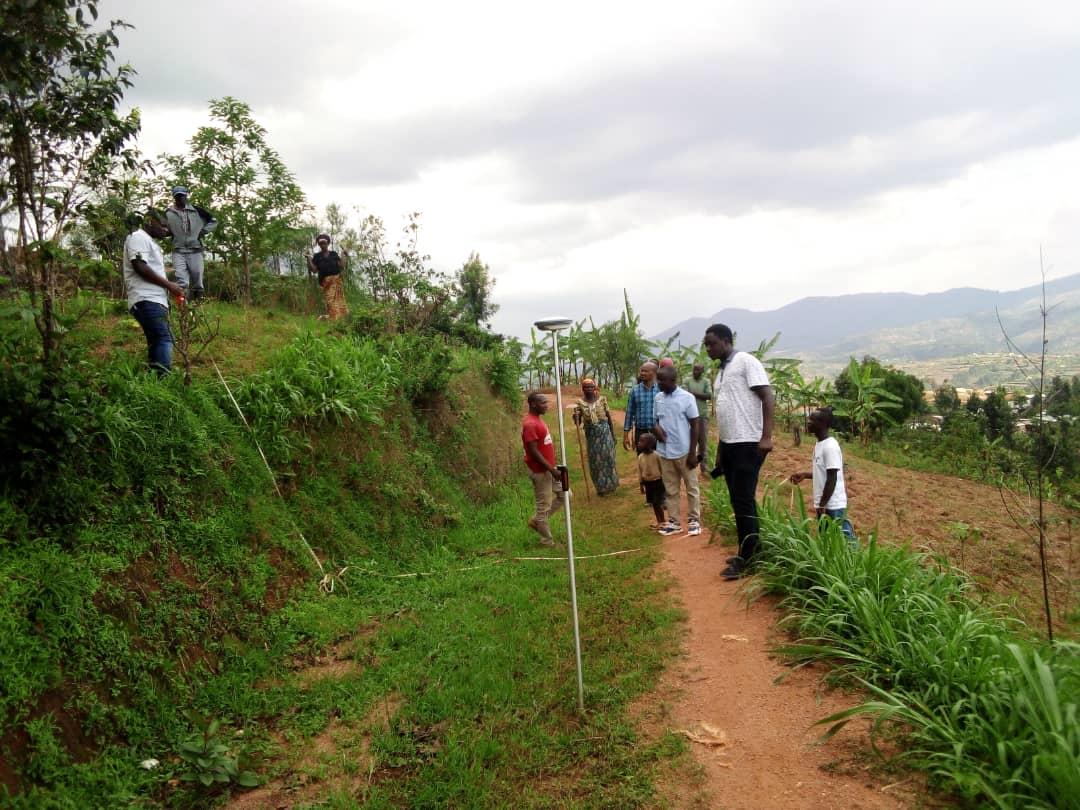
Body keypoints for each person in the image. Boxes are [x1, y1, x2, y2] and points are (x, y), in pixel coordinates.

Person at [704, 323, 775, 579]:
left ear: (725, 340)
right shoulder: (722, 372)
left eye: (711, 343)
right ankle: (751, 549)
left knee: (743, 500)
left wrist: (766, 437)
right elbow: (725, 414)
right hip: (731, 444)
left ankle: (748, 558)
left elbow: (767, 396)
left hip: (748, 442)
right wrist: (721, 452)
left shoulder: (745, 361)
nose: (708, 349)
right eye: (706, 345)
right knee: (739, 500)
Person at [122, 211, 185, 375]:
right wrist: (170, 285)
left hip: (154, 300)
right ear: (150, 221)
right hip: (146, 299)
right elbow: (139, 266)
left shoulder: (149, 241)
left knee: (157, 340)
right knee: (163, 338)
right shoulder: (138, 237)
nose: (165, 230)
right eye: (163, 225)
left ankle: (153, 379)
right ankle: (162, 379)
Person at [789, 407, 856, 546]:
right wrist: (805, 475)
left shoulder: (830, 447)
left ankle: (856, 565)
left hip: (833, 505)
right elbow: (824, 474)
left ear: (823, 424)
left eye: (811, 420)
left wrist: (823, 504)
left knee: (846, 541)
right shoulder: (819, 444)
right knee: (828, 542)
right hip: (825, 503)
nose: (808, 422)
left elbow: (832, 478)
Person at [653, 365, 704, 536]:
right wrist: (656, 429)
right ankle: (674, 522)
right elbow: (655, 421)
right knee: (671, 489)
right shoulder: (658, 397)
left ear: (673, 380)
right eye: (657, 379)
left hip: (684, 451)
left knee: (691, 487)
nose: (658, 383)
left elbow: (696, 424)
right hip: (664, 452)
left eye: (662, 380)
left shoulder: (687, 398)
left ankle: (694, 520)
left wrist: (692, 453)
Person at [522, 392, 563, 547]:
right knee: (543, 506)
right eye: (543, 403)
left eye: (546, 402)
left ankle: (536, 521)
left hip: (549, 469)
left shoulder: (537, 420)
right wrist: (551, 470)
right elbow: (533, 452)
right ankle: (546, 540)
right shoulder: (530, 424)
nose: (546, 405)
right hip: (541, 471)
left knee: (566, 495)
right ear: (533, 404)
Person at [164, 186, 217, 300]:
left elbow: (213, 221)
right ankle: (183, 307)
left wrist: (203, 231)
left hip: (195, 249)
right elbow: (165, 229)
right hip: (178, 250)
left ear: (186, 196)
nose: (180, 198)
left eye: (182, 196)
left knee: (197, 277)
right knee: (182, 280)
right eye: (178, 196)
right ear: (174, 197)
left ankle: (198, 305)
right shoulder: (168, 213)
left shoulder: (197, 210)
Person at [572, 378, 619, 495]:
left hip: (605, 432)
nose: (589, 389)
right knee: (595, 461)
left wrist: (613, 435)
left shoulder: (602, 400)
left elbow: (608, 418)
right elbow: (577, 422)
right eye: (586, 387)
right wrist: (576, 416)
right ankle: (601, 488)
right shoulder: (580, 403)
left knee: (609, 458)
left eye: (591, 387)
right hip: (591, 434)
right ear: (583, 389)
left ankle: (612, 485)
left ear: (595, 388)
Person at [306, 233, 350, 321]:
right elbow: (314, 270)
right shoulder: (317, 257)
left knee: (340, 302)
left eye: (324, 243)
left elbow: (341, 266)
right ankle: (333, 319)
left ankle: (340, 320)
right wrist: (309, 258)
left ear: (328, 243)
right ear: (319, 245)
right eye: (320, 243)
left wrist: (343, 254)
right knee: (330, 302)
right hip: (326, 283)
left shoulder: (333, 254)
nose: (322, 245)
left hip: (337, 281)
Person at [623, 361, 659, 452]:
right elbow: (629, 413)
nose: (642, 373)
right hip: (640, 432)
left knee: (658, 461)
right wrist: (626, 434)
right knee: (642, 461)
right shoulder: (635, 390)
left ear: (654, 373)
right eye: (641, 371)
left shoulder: (660, 390)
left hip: (657, 433)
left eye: (646, 371)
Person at [636, 433, 667, 529]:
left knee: (657, 502)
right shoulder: (640, 457)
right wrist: (641, 484)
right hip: (647, 483)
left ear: (649, 444)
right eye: (639, 441)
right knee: (653, 503)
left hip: (657, 482)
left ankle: (663, 521)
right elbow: (640, 471)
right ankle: (659, 521)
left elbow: (662, 469)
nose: (639, 443)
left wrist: (665, 482)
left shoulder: (657, 455)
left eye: (642, 441)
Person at [685, 363, 712, 460]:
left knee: (703, 442)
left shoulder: (706, 381)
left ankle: (704, 468)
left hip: (702, 415)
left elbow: (709, 396)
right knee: (689, 441)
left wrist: (692, 394)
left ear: (702, 372)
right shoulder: (687, 380)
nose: (695, 372)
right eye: (694, 369)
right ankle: (690, 463)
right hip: (688, 416)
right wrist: (699, 395)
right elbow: (683, 394)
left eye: (698, 370)